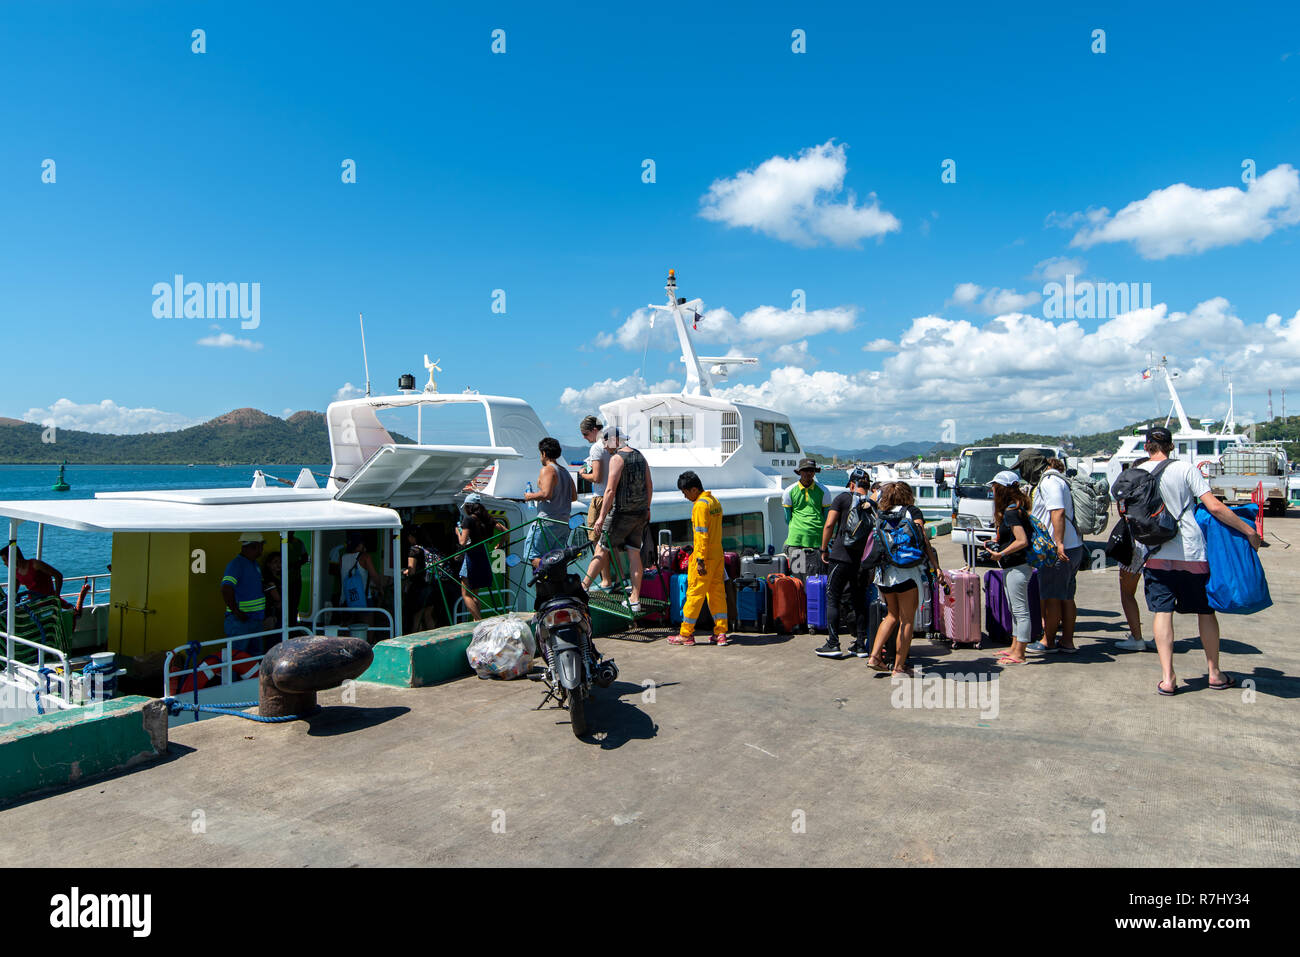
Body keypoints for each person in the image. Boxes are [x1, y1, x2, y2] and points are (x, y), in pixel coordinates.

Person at [1133, 427, 1261, 696]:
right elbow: (1214, 507)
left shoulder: (1136, 471)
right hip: (1189, 550)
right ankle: (1214, 673)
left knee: (1162, 612)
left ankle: (1168, 678)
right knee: (1205, 611)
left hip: (1155, 552)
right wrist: (1248, 531)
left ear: (1147, 447)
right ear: (1170, 447)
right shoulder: (1185, 469)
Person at [865, 483, 947, 675]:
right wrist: (936, 566)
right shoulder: (912, 511)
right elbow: (923, 539)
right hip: (906, 573)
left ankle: (875, 656)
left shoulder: (881, 513)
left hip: (884, 574)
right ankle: (899, 666)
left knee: (891, 616)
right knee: (907, 620)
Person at [585, 427, 653, 614]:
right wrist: (647, 508)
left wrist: (600, 517)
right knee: (634, 554)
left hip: (620, 514)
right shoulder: (641, 456)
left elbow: (609, 491)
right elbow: (649, 485)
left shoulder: (617, 458)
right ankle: (635, 599)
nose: (605, 448)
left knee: (601, 548)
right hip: (639, 513)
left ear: (614, 440)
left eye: (606, 443)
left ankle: (582, 589)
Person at [1025, 455, 1084, 655]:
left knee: (1051, 596)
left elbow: (1057, 511)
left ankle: (1048, 641)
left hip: (1058, 550)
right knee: (1066, 596)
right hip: (1073, 545)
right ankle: (1067, 641)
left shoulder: (1049, 482)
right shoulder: (1061, 480)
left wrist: (1058, 544)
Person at [815, 468, 876, 658]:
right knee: (858, 600)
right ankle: (860, 644)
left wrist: (824, 549)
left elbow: (829, 524)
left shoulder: (843, 498)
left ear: (852, 485)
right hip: (862, 561)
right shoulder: (874, 504)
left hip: (840, 557)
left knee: (833, 597)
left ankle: (833, 643)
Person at [669, 471, 730, 646]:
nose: (685, 496)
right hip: (718, 555)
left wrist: (700, 560)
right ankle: (721, 633)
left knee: (694, 595)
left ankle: (686, 634)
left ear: (694, 489)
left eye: (685, 492)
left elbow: (701, 535)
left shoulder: (700, 506)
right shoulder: (714, 502)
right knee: (717, 594)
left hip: (704, 557)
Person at [981, 471, 1035, 664]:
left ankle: (1020, 653)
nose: (992, 490)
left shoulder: (1012, 512)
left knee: (1020, 610)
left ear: (1001, 489)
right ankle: (1014, 647)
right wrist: (996, 542)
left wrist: (1000, 553)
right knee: (1014, 608)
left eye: (994, 487)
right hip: (1014, 566)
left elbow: (1022, 540)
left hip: (1017, 566)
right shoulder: (1015, 509)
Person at [1114, 458, 1153, 652]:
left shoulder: (1129, 489)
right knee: (1160, 595)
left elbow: (1122, 512)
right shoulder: (1159, 487)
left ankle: (1137, 637)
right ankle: (1163, 636)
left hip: (1136, 543)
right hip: (1162, 543)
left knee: (1127, 591)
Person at [523, 437, 578, 569]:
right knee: (556, 558)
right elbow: (574, 497)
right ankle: (556, 585)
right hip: (563, 523)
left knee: (534, 556)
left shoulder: (548, 469)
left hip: (546, 522)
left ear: (544, 453)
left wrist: (529, 496)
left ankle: (542, 584)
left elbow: (546, 494)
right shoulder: (565, 471)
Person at [1, 543, 92, 619]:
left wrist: (56, 596)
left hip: (48, 601)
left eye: (5, 560)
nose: (5, 564)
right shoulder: (15, 572)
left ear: (14, 557)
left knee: (74, 615)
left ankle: (80, 597)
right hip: (33, 603)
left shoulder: (35, 564)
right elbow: (13, 593)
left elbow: (58, 575)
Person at [576, 417, 616, 590]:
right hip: (615, 497)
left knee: (597, 540)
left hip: (600, 497)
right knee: (611, 542)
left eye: (585, 434)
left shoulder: (596, 448)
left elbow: (597, 477)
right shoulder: (612, 444)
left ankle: (606, 579)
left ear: (593, 430)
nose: (585, 438)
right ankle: (619, 578)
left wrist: (582, 474)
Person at [456, 493, 505, 621]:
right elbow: (505, 530)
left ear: (468, 507)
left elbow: (462, 542)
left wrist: (458, 532)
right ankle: (476, 621)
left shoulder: (468, 520)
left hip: (471, 557)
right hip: (482, 555)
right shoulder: (487, 519)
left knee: (466, 594)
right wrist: (499, 544)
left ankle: (478, 621)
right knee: (474, 595)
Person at [221, 533, 268, 652]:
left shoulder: (254, 564)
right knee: (238, 659)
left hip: (255, 620)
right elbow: (226, 588)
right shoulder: (236, 564)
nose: (262, 549)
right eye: (261, 545)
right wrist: (236, 612)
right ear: (254, 546)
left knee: (253, 659)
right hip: (240, 621)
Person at [782, 459, 829, 577]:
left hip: (817, 541)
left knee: (815, 577)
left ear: (814, 472)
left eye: (811, 470)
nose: (808, 473)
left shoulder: (823, 491)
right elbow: (826, 516)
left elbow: (788, 518)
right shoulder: (789, 491)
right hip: (796, 540)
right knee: (798, 577)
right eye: (805, 470)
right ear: (799, 472)